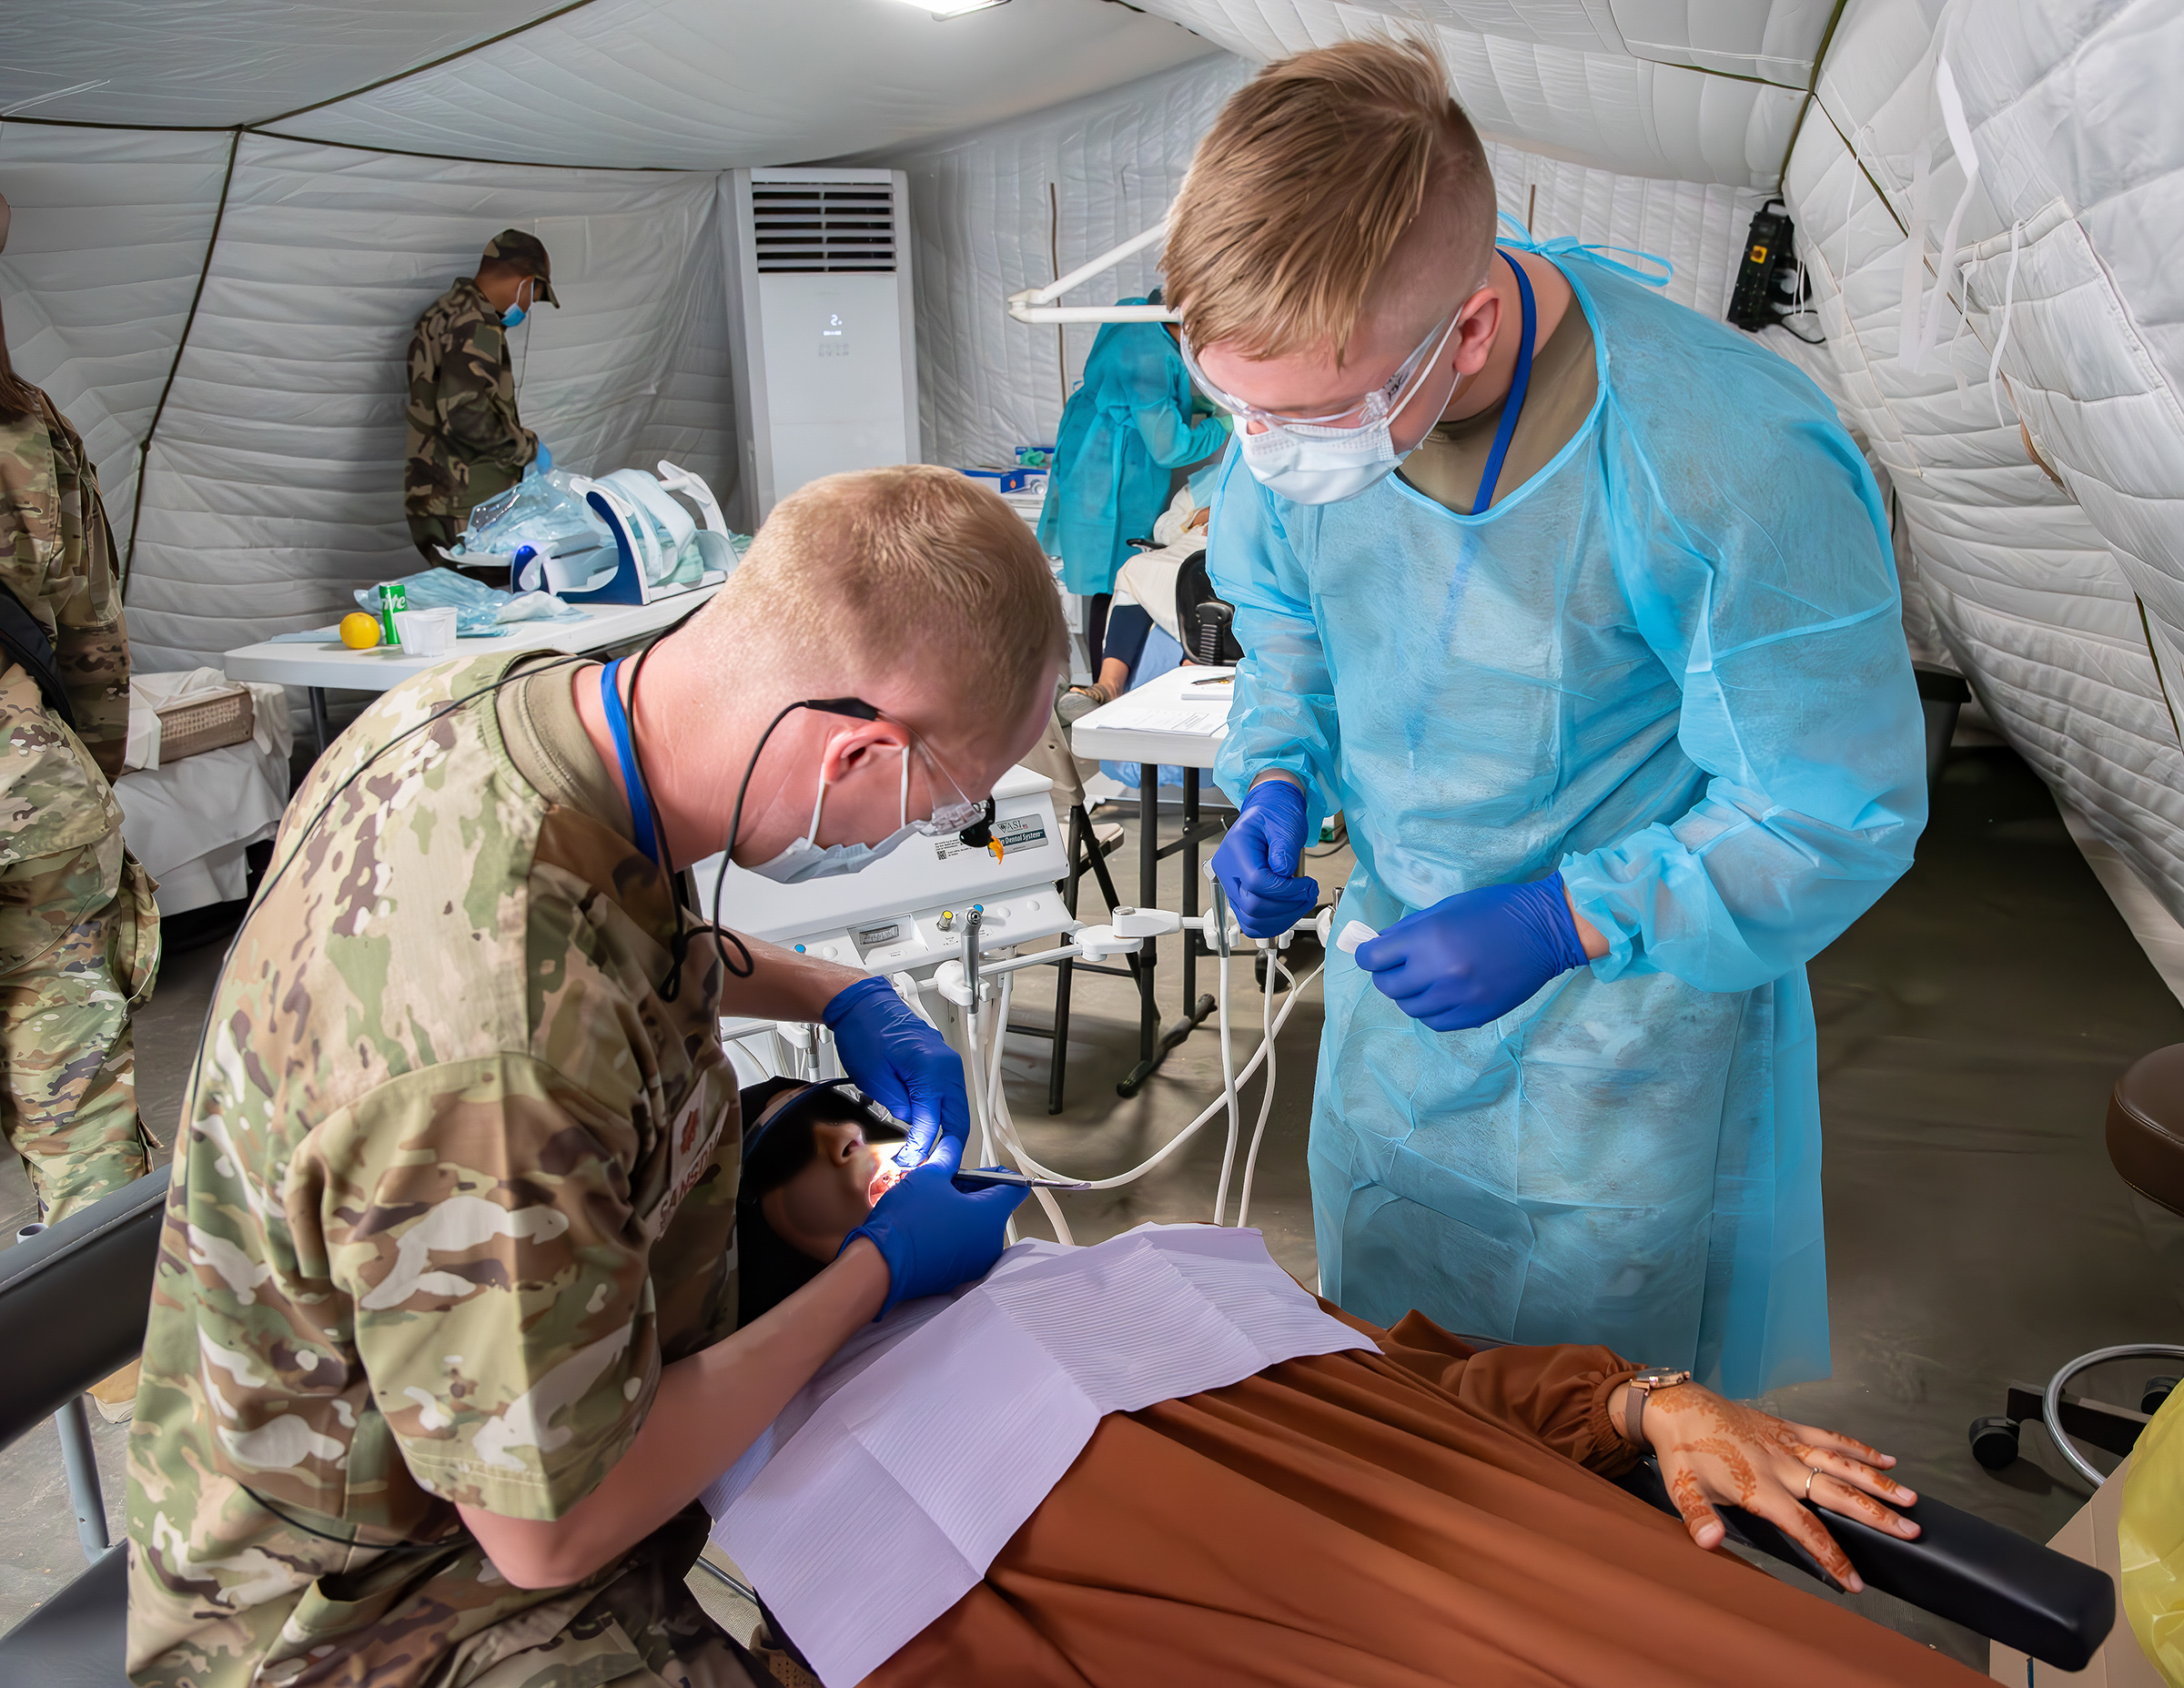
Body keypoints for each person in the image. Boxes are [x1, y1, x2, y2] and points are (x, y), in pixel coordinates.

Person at [124, 466, 1060, 1688]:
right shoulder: (498, 1056)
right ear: (858, 753)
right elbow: (549, 1530)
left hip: (453, 1462)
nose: (919, 830)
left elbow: (608, 935)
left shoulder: (513, 713)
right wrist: (876, 1272)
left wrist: (835, 989)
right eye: (939, 807)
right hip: (376, 1607)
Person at [1188, 41, 1927, 1398]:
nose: (1275, 453)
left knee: (1598, 1426)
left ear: (1468, 330)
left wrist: (1561, 918)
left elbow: (1826, 807)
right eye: (1242, 411)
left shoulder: (1725, 456)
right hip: (1396, 1025)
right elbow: (1290, 618)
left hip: (1622, 1052)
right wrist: (1279, 777)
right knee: (1399, 1388)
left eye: (1318, 417)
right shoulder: (1301, 410)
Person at [726, 1079, 1982, 1688]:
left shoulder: (1148, 1268)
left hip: (1557, 1572)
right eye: (806, 1148)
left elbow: (1429, 1387)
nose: (863, 1142)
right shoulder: (828, 1495)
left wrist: (1642, 1400)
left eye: (860, 1117)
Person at [0, 213, 160, 1240]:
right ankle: (111, 1319)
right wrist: (90, 769)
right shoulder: (29, 427)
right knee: (75, 1088)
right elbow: (92, 638)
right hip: (36, 791)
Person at [1037, 293, 1230, 674]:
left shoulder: (1134, 312)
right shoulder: (1150, 356)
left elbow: (1137, 399)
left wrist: (1191, 406)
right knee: (1116, 581)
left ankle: (1106, 680)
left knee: (1110, 584)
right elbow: (1169, 447)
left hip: (1089, 454)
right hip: (1114, 474)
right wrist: (1219, 425)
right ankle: (1105, 682)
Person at [404, 228, 558, 566]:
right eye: (533, 295)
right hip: (462, 502)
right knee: (483, 591)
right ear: (524, 282)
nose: (527, 306)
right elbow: (466, 417)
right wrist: (528, 448)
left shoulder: (445, 312)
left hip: (436, 494)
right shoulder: (475, 326)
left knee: (456, 588)